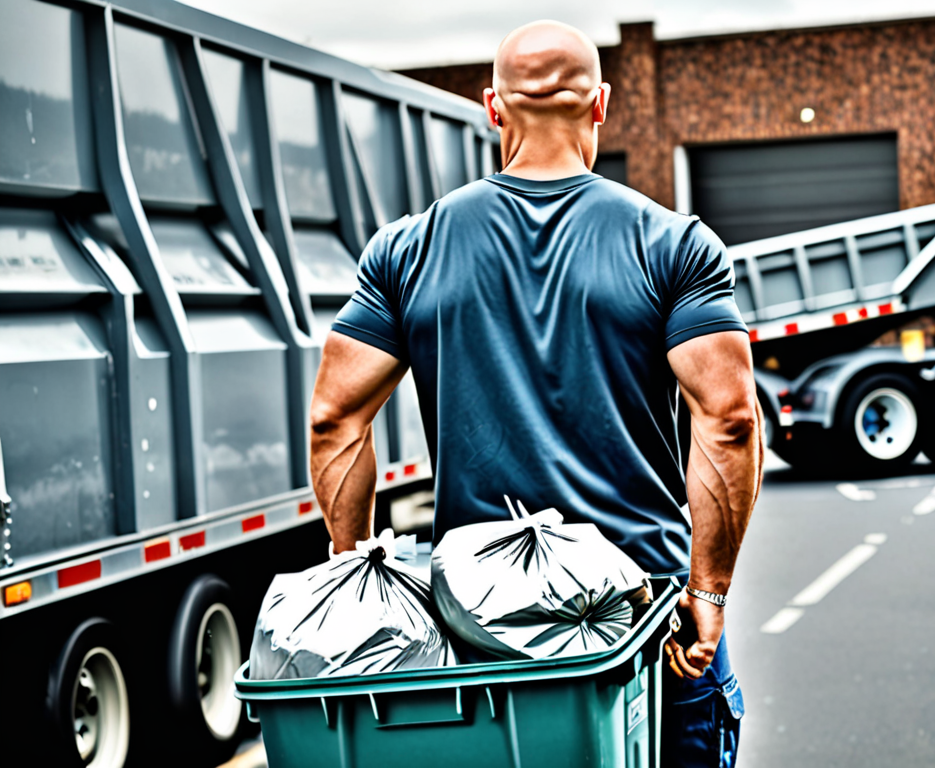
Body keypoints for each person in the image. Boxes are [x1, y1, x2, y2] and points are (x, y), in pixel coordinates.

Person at [309, 19, 764, 767]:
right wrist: (707, 596)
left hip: (483, 634)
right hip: (647, 619)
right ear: (602, 105)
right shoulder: (672, 244)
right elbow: (731, 420)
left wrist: (354, 573)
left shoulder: (407, 249)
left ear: (493, 108)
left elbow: (335, 420)